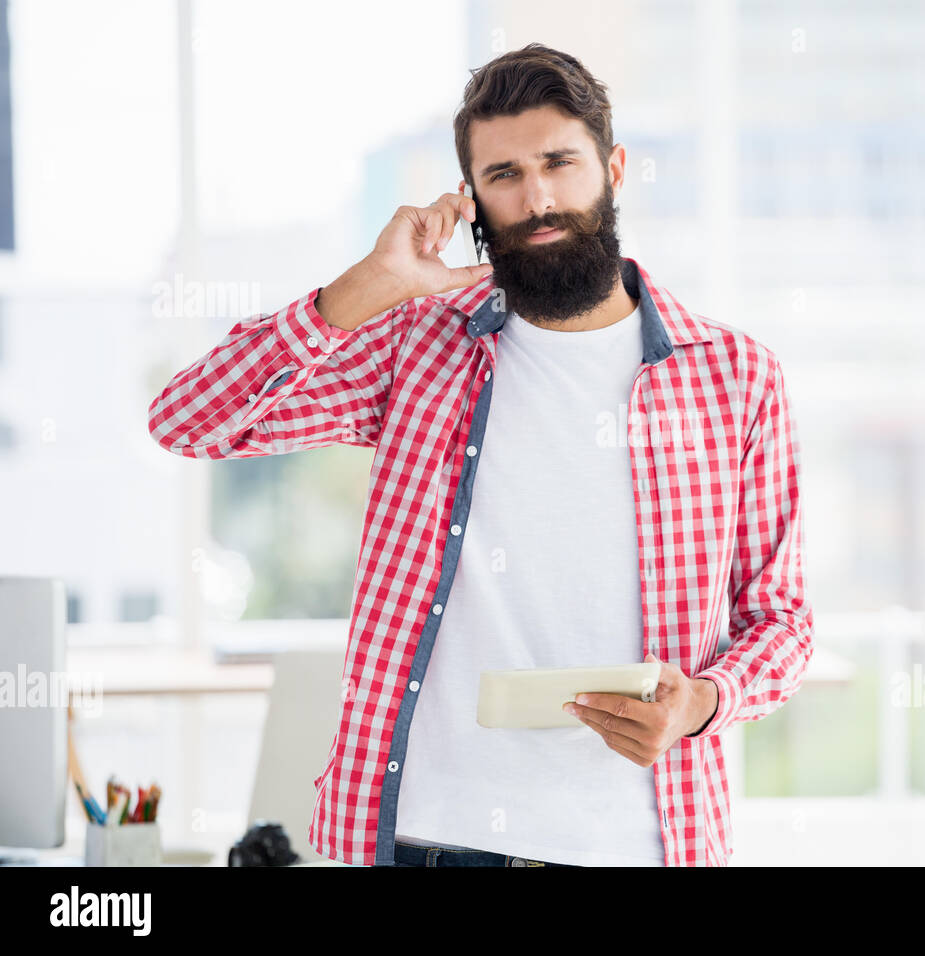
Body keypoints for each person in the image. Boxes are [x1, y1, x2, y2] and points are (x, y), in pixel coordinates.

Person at [147, 42, 814, 867]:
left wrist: (706, 702)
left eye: (560, 163)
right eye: (504, 176)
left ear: (614, 167)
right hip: (432, 837)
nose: (538, 198)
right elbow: (187, 420)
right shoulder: (416, 348)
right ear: (471, 201)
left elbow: (780, 619)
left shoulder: (734, 377)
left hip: (643, 841)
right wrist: (369, 283)